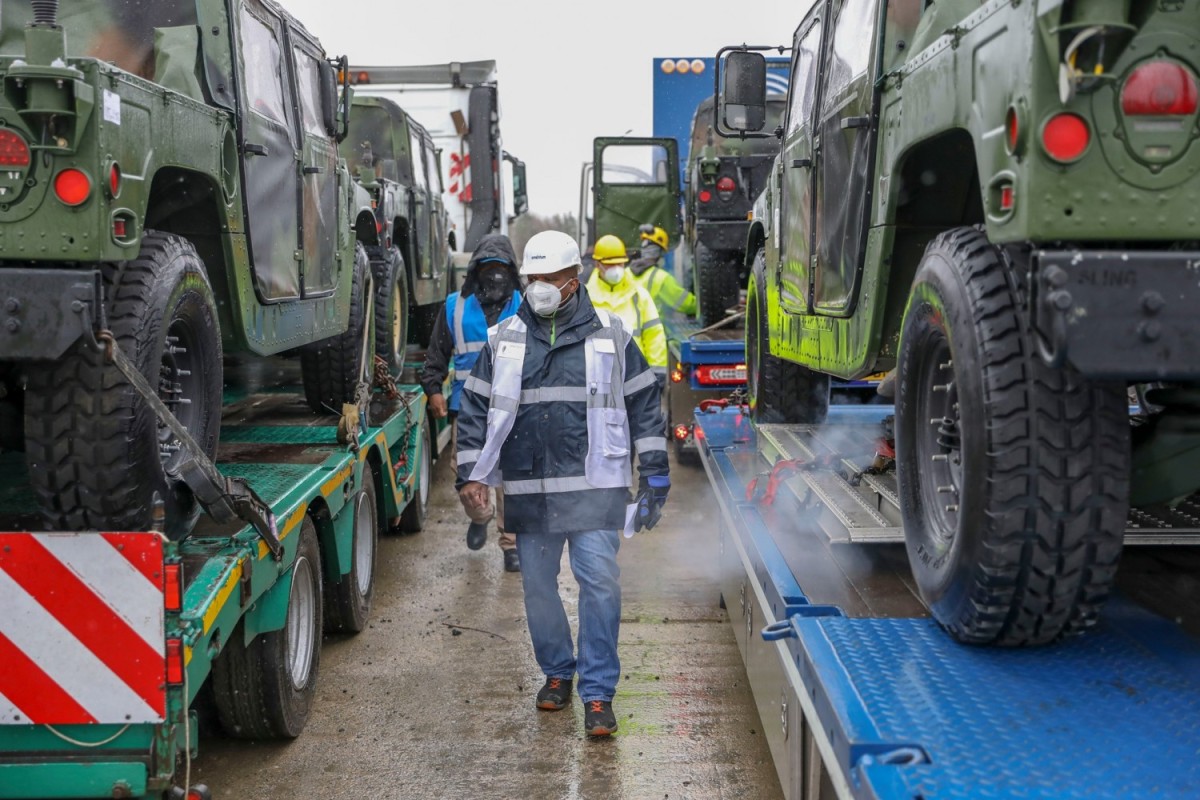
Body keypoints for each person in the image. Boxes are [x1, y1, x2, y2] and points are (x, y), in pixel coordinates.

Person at [454, 230, 670, 737]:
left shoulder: (612, 335)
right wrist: (470, 473)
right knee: (537, 588)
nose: (540, 288)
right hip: (530, 489)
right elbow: (475, 406)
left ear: (574, 280)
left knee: (600, 584)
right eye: (534, 280)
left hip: (596, 488)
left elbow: (644, 403)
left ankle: (598, 692)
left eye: (551, 279)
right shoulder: (504, 338)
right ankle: (557, 672)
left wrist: (655, 473)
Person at [421, 233, 523, 572]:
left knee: (510, 480)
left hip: (513, 411)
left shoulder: (526, 306)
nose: (494, 275)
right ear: (475, 270)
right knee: (468, 479)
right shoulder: (455, 306)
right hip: (467, 412)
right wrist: (433, 388)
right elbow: (436, 353)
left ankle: (511, 544)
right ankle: (480, 517)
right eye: (487, 267)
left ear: (512, 272)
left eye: (501, 268)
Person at [586, 234, 669, 387]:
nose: (616, 269)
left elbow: (654, 336)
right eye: (610, 265)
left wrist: (658, 373)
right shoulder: (585, 298)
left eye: (620, 264)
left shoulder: (639, 295)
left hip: (636, 380)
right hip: (597, 383)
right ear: (597, 264)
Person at [628, 224, 698, 317]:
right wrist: (703, 305)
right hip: (652, 329)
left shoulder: (626, 273)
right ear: (659, 253)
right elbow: (686, 304)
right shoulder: (660, 278)